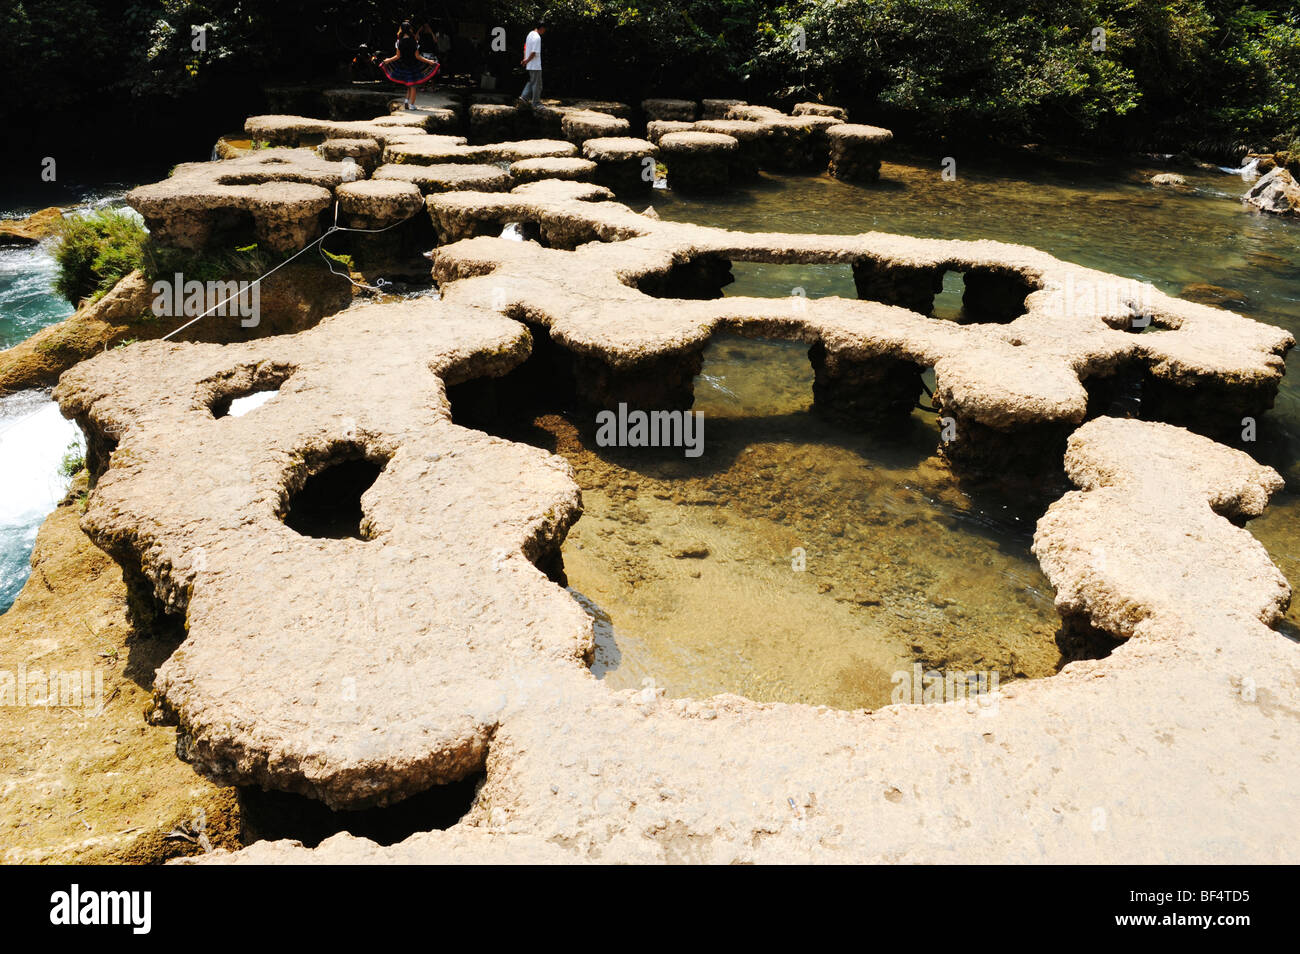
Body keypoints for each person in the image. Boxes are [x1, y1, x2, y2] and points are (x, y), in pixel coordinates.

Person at [380, 21, 439, 110]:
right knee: (413, 86)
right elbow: (417, 56)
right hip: (413, 65)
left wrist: (388, 60)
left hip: (403, 65)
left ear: (401, 30)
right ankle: (412, 105)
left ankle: (407, 101)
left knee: (409, 85)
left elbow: (397, 56)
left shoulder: (399, 42)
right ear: (410, 30)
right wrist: (429, 62)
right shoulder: (414, 41)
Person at [518, 18, 547, 107]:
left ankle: (524, 97)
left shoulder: (530, 34)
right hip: (535, 65)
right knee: (537, 85)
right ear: (541, 28)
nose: (544, 31)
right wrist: (526, 60)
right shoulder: (537, 37)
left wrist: (525, 59)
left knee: (532, 81)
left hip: (530, 64)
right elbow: (534, 52)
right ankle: (536, 103)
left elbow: (525, 47)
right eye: (544, 29)